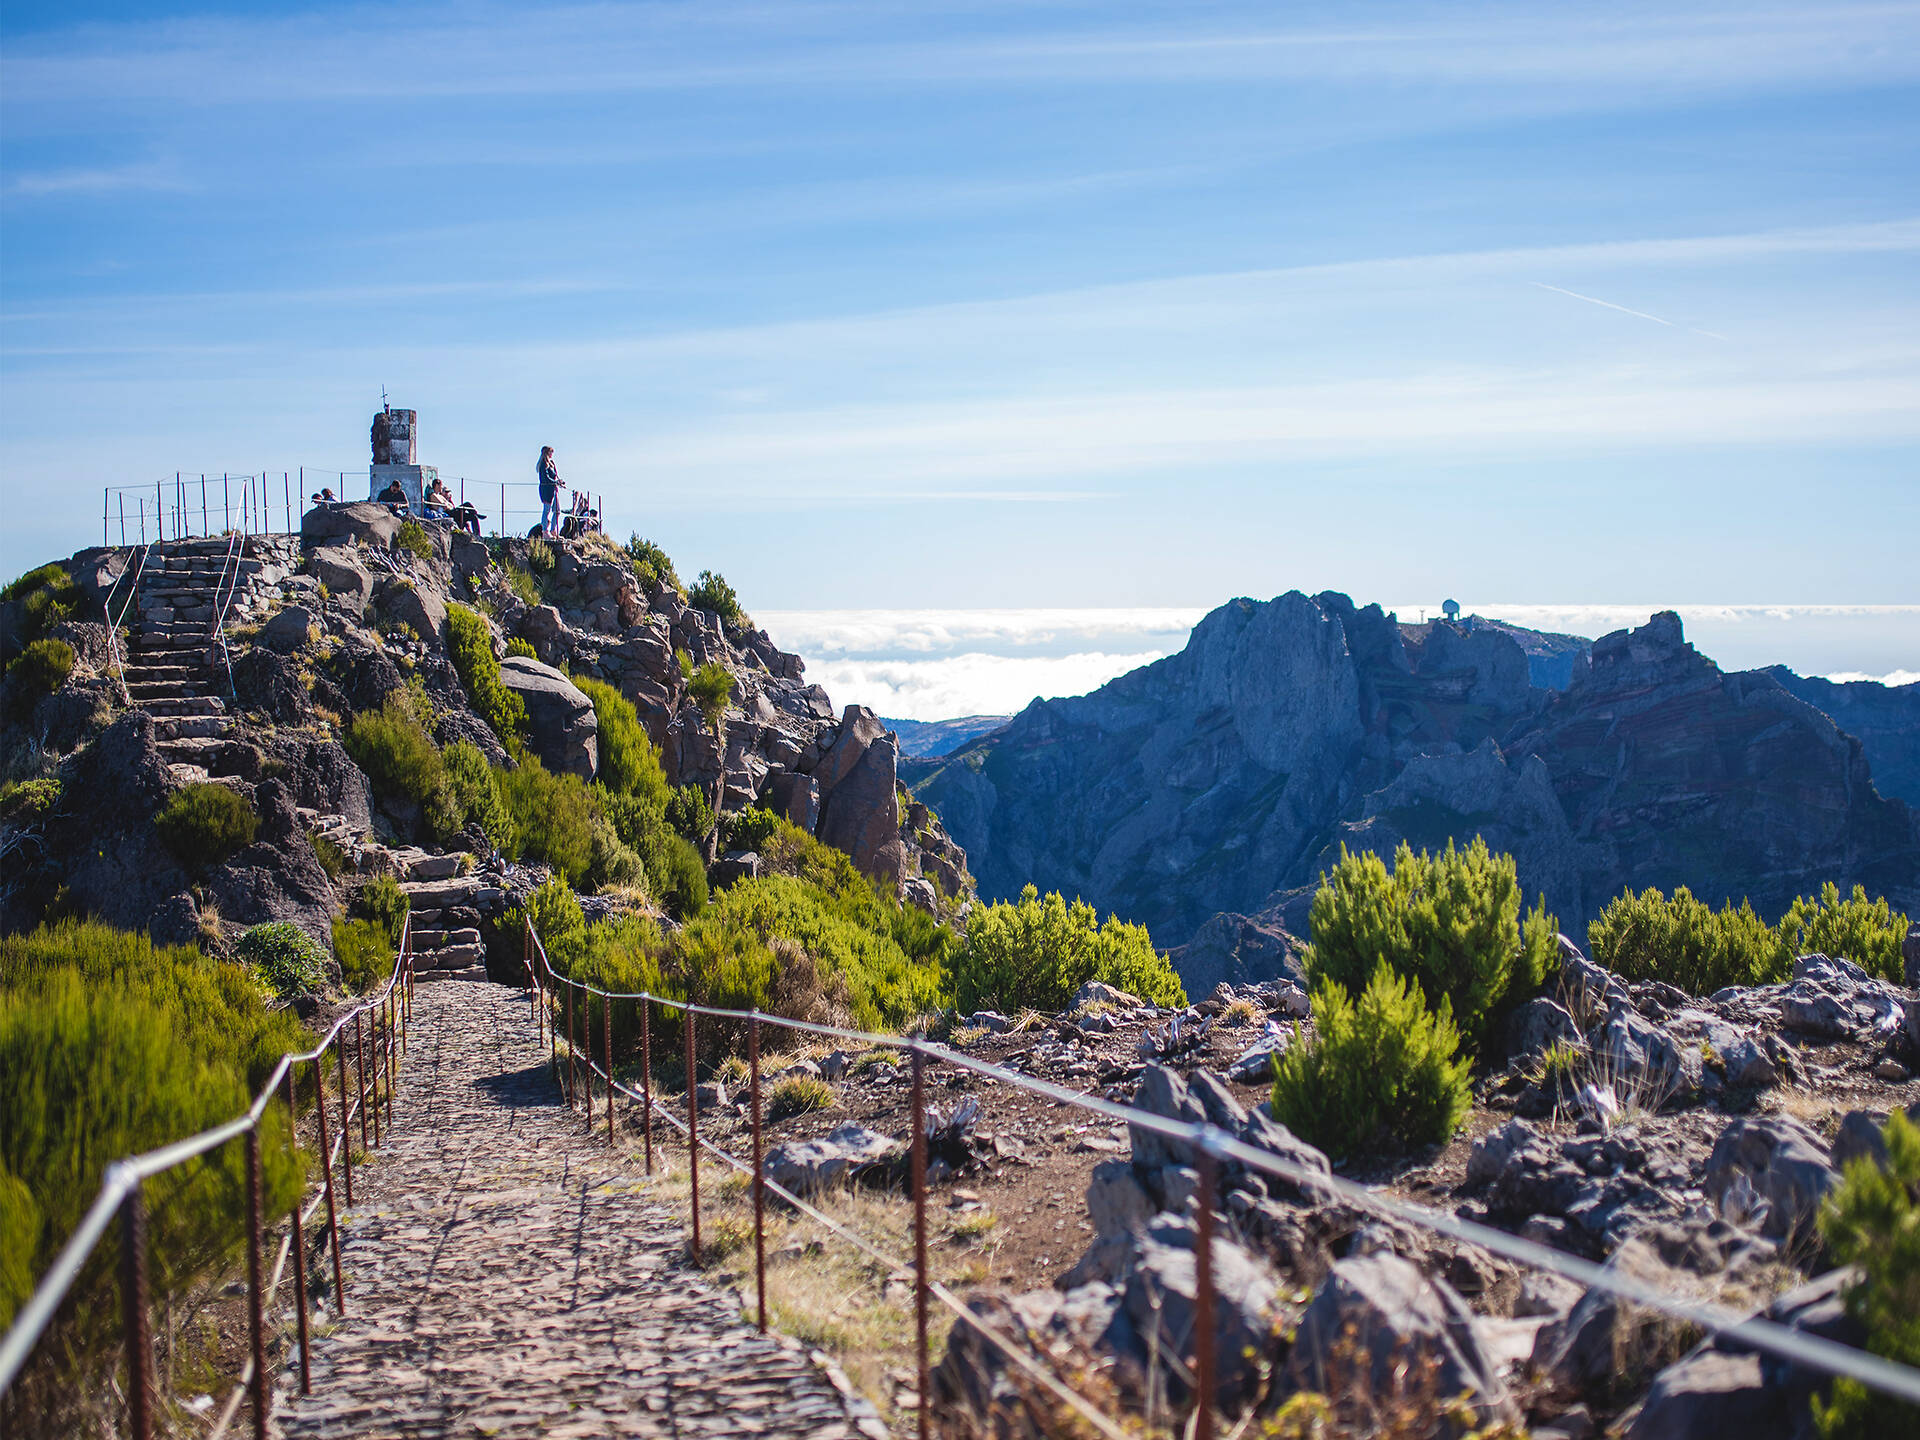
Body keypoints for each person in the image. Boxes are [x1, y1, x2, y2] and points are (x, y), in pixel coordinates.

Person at [537, 446, 565, 537]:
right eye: (551, 452)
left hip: (553, 489)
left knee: (557, 510)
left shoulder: (551, 463)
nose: (552, 454)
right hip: (546, 489)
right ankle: (545, 531)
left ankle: (553, 530)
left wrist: (559, 481)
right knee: (547, 510)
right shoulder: (543, 464)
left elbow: (554, 476)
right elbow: (545, 478)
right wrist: (555, 482)